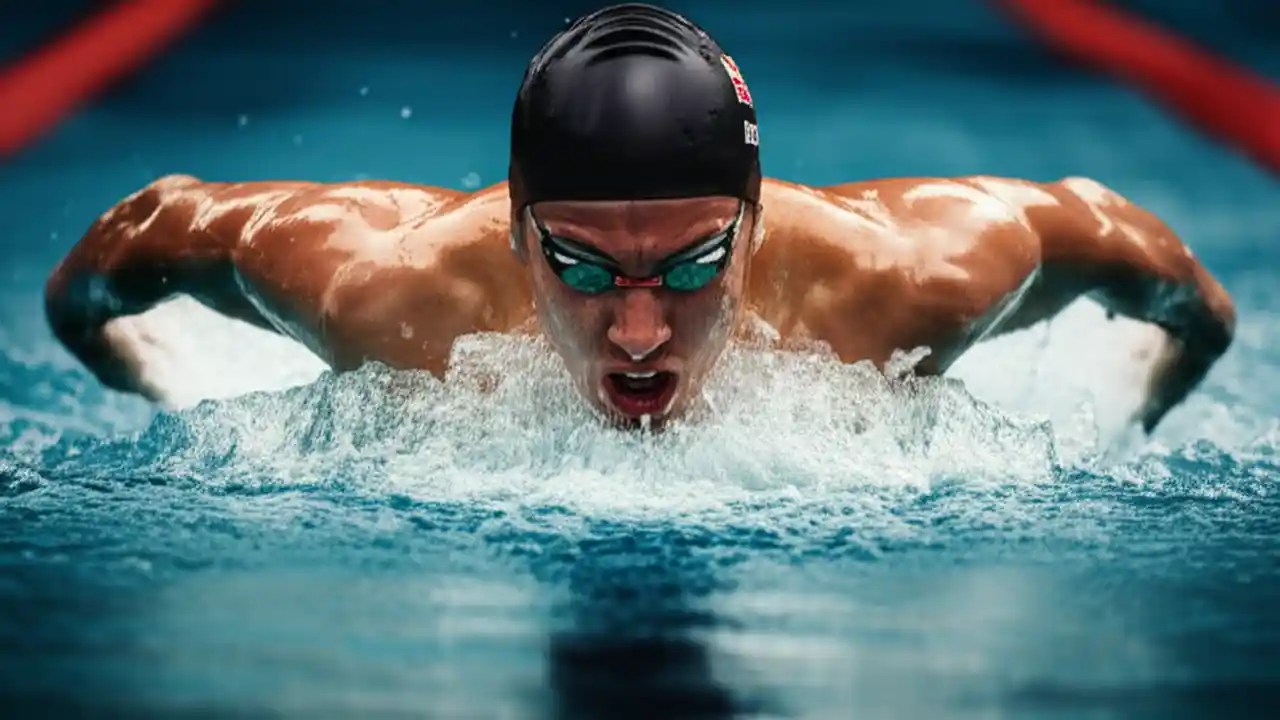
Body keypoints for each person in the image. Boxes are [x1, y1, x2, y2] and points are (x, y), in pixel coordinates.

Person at [44, 3, 1234, 432]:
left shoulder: (900, 289)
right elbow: (141, 235)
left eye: (690, 265)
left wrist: (1142, 399)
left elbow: (1149, 266)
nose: (635, 331)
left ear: (755, 233)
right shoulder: (384, 292)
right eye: (578, 265)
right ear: (514, 235)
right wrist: (142, 368)